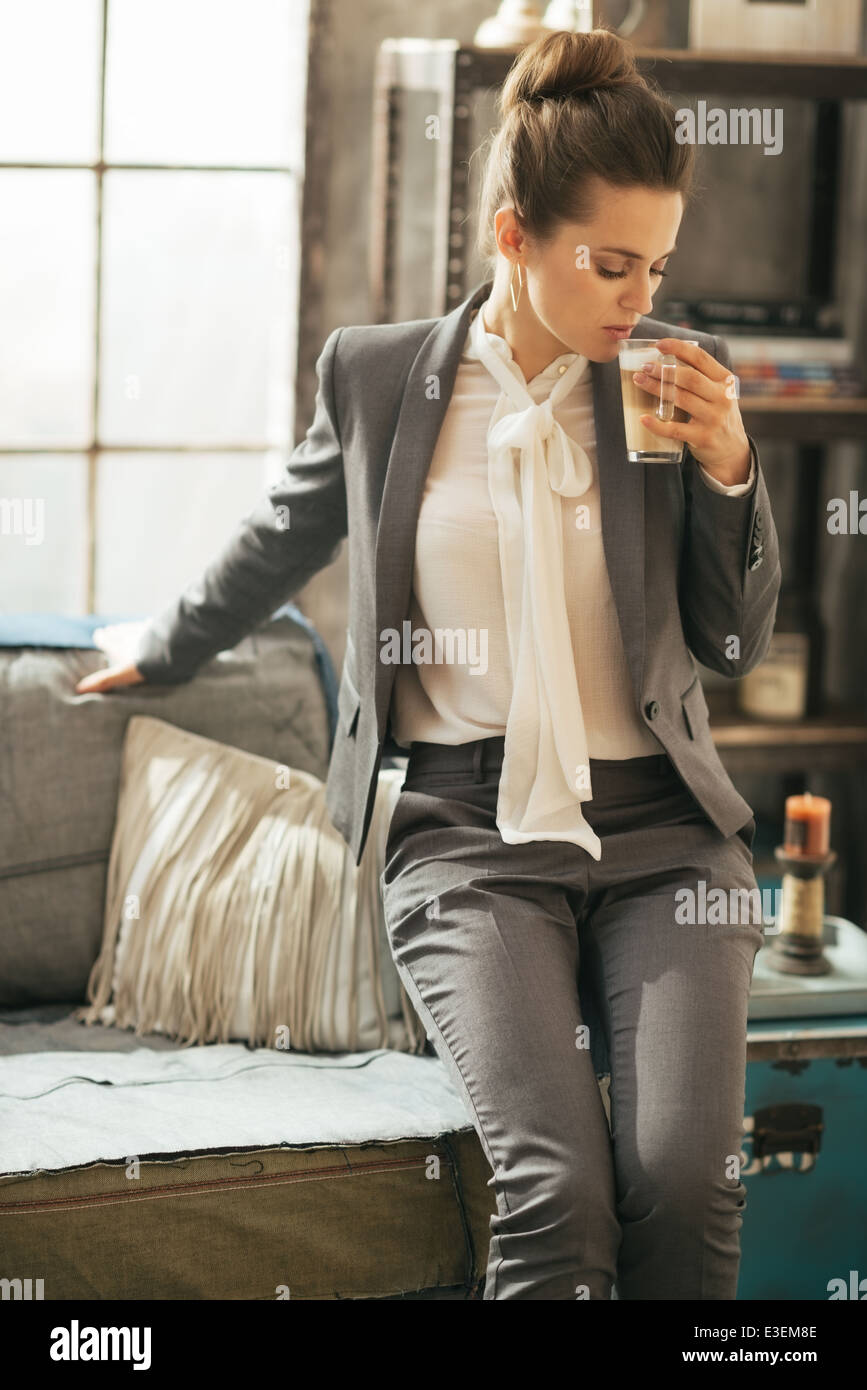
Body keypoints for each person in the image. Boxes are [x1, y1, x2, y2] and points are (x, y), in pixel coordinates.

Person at [76, 26, 781, 1300]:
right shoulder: (381, 377)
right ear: (515, 237)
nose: (641, 298)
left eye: (658, 266)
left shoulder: (669, 391)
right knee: (556, 1193)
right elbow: (278, 539)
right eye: (611, 265)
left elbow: (732, 645)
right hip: (466, 836)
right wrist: (162, 644)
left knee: (685, 1184)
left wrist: (734, 473)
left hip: (667, 842)